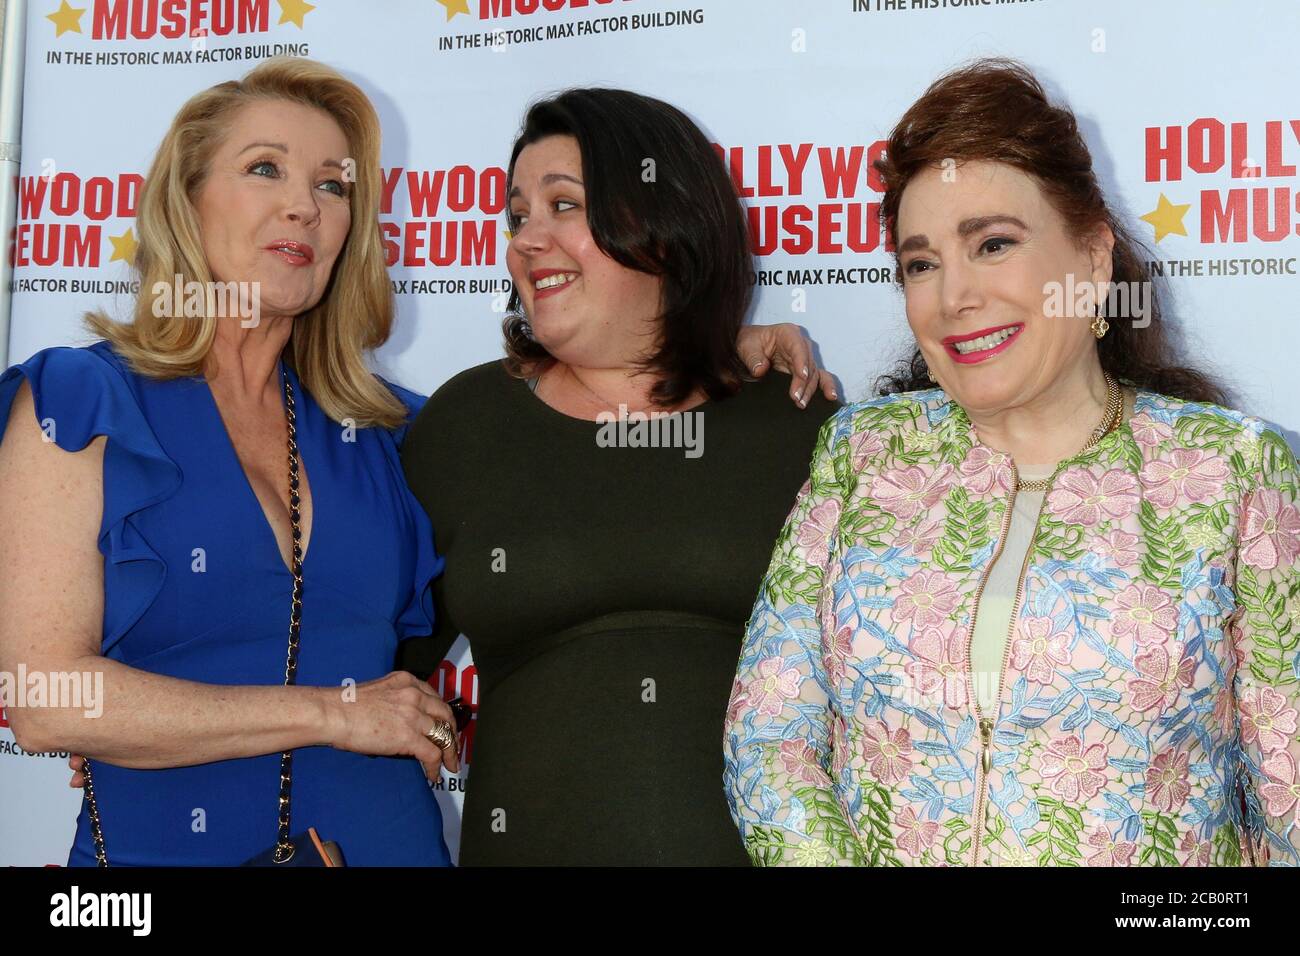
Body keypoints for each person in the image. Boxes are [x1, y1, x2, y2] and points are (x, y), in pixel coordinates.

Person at [725, 58, 1300, 867]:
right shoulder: (863, 453)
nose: (953, 295)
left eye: (993, 244)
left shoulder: (1235, 472)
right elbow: (769, 740)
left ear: (1094, 259)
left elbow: (1289, 793)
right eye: (920, 263)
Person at [0, 58, 467, 866]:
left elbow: (573, 466)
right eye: (264, 169)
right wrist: (336, 713)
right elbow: (46, 702)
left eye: (334, 186)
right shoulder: (77, 402)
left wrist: (729, 351)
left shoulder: (396, 435)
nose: (304, 205)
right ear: (186, 200)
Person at [397, 88, 840, 865]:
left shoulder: (795, 417)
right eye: (516, 216)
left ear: (663, 227)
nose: (528, 240)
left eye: (563, 205)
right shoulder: (466, 426)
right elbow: (368, 662)